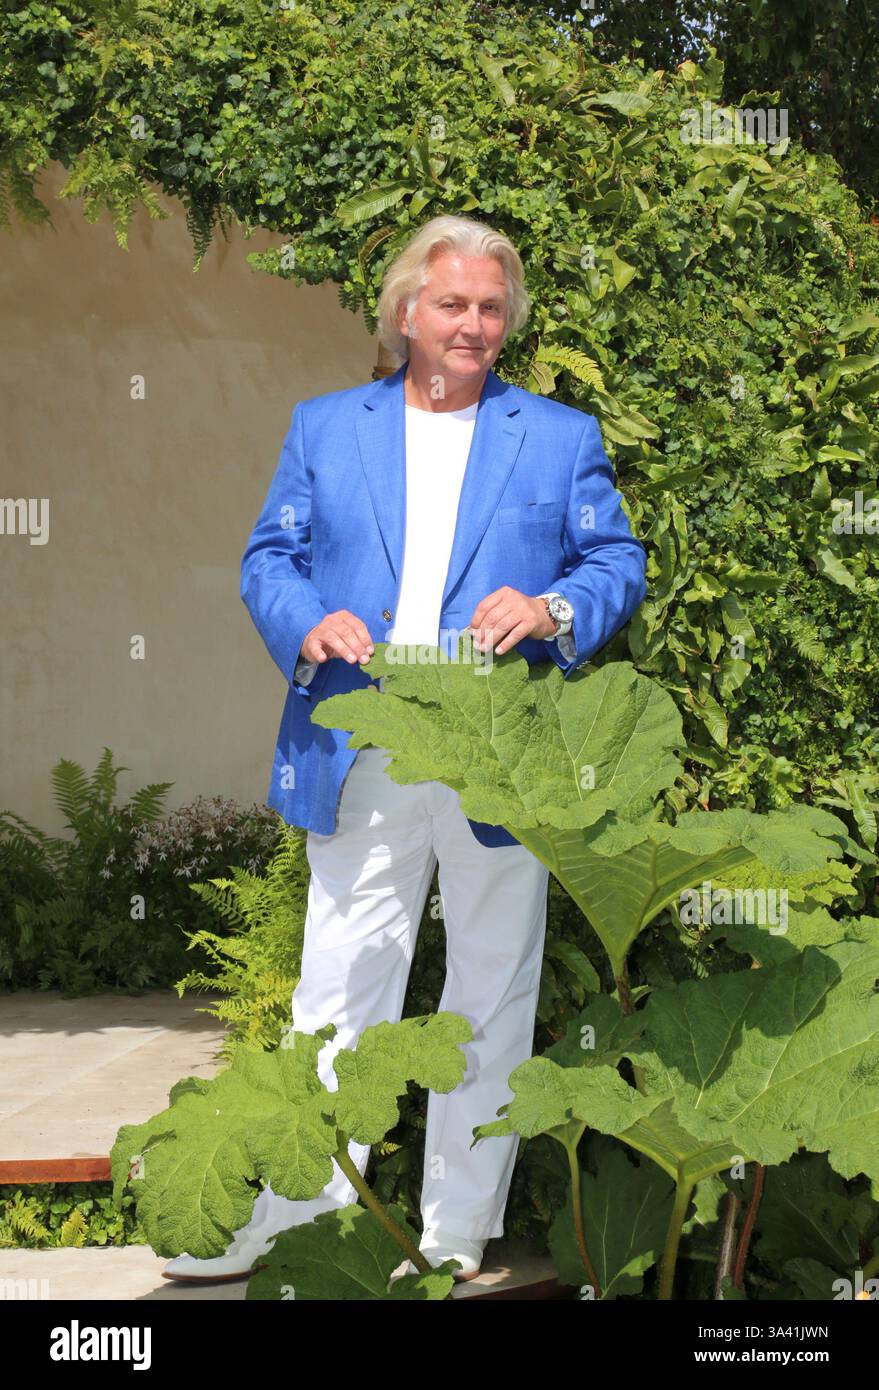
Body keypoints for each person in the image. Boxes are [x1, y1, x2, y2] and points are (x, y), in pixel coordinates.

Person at [163, 214, 647, 1284]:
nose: (473, 324)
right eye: (452, 304)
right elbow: (269, 558)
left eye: (490, 307)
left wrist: (556, 606)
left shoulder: (558, 436)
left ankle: (452, 1232)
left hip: (499, 748)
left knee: (490, 985)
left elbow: (617, 559)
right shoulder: (326, 427)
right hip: (363, 735)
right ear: (404, 314)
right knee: (341, 986)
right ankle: (306, 1219)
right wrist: (307, 624)